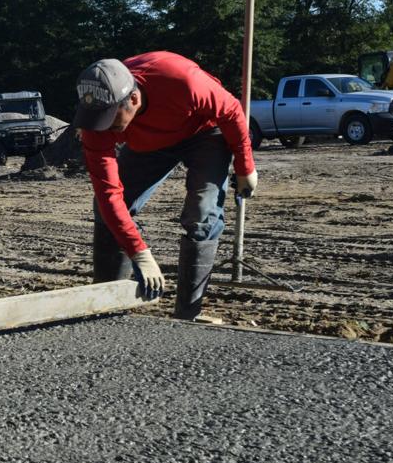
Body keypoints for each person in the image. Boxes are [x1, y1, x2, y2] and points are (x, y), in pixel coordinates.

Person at [73, 52, 258, 320]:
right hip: (148, 145)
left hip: (204, 132)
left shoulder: (181, 81)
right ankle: (107, 304)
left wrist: (245, 167)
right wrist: (138, 251)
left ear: (133, 100)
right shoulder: (96, 124)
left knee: (202, 213)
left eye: (111, 119)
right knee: (105, 208)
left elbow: (230, 111)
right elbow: (109, 192)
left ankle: (187, 315)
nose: (105, 129)